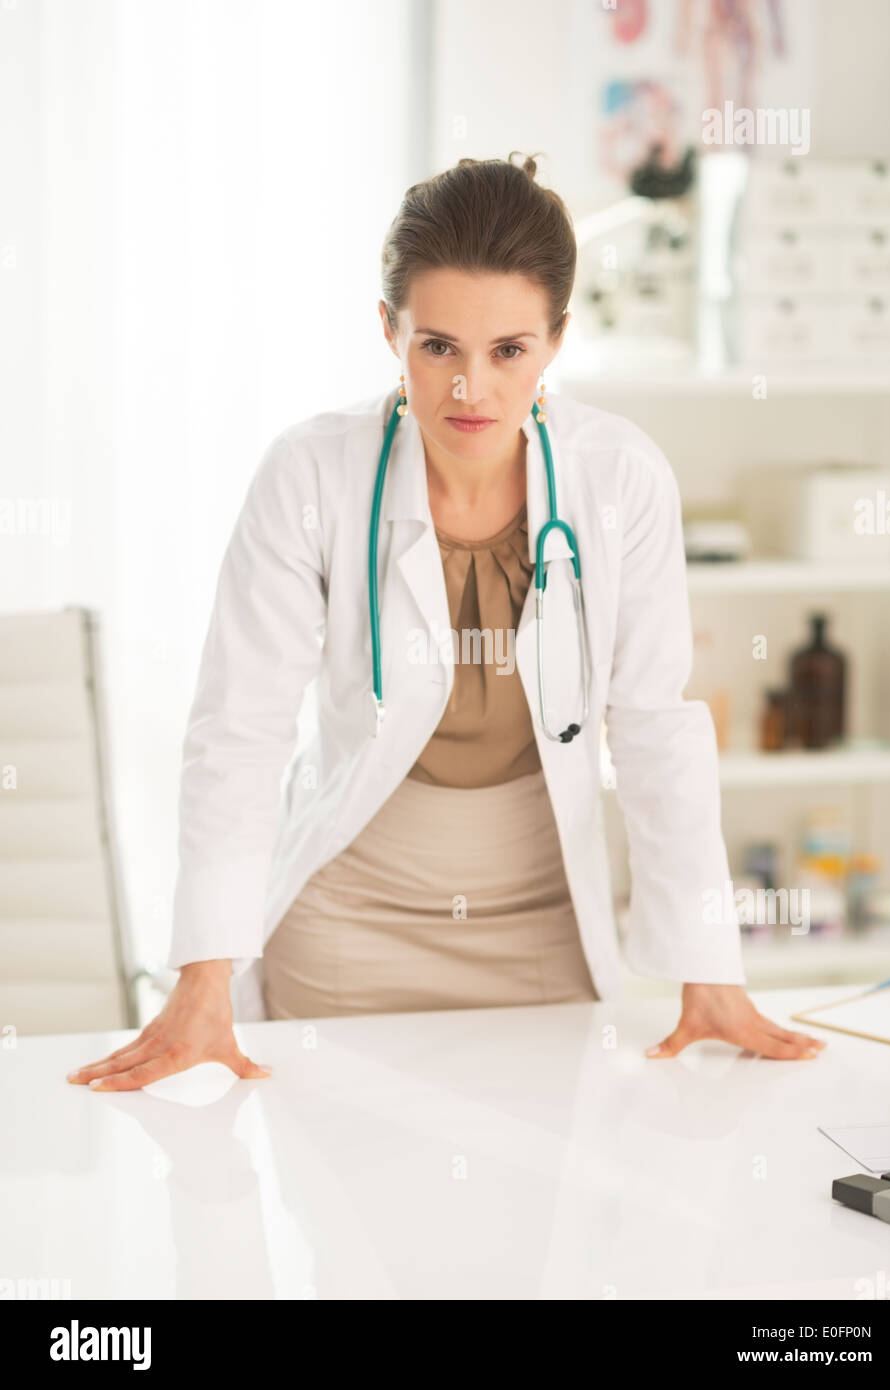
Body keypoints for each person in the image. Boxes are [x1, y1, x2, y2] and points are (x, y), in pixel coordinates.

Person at [67, 153, 824, 1092]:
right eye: (439, 348)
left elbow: (656, 725)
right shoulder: (311, 474)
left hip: (539, 919)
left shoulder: (619, 477)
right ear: (390, 330)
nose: (471, 390)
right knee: (354, 1223)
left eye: (508, 350)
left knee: (537, 1217)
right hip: (351, 919)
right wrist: (204, 974)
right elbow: (240, 728)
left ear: (556, 340)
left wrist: (709, 968)